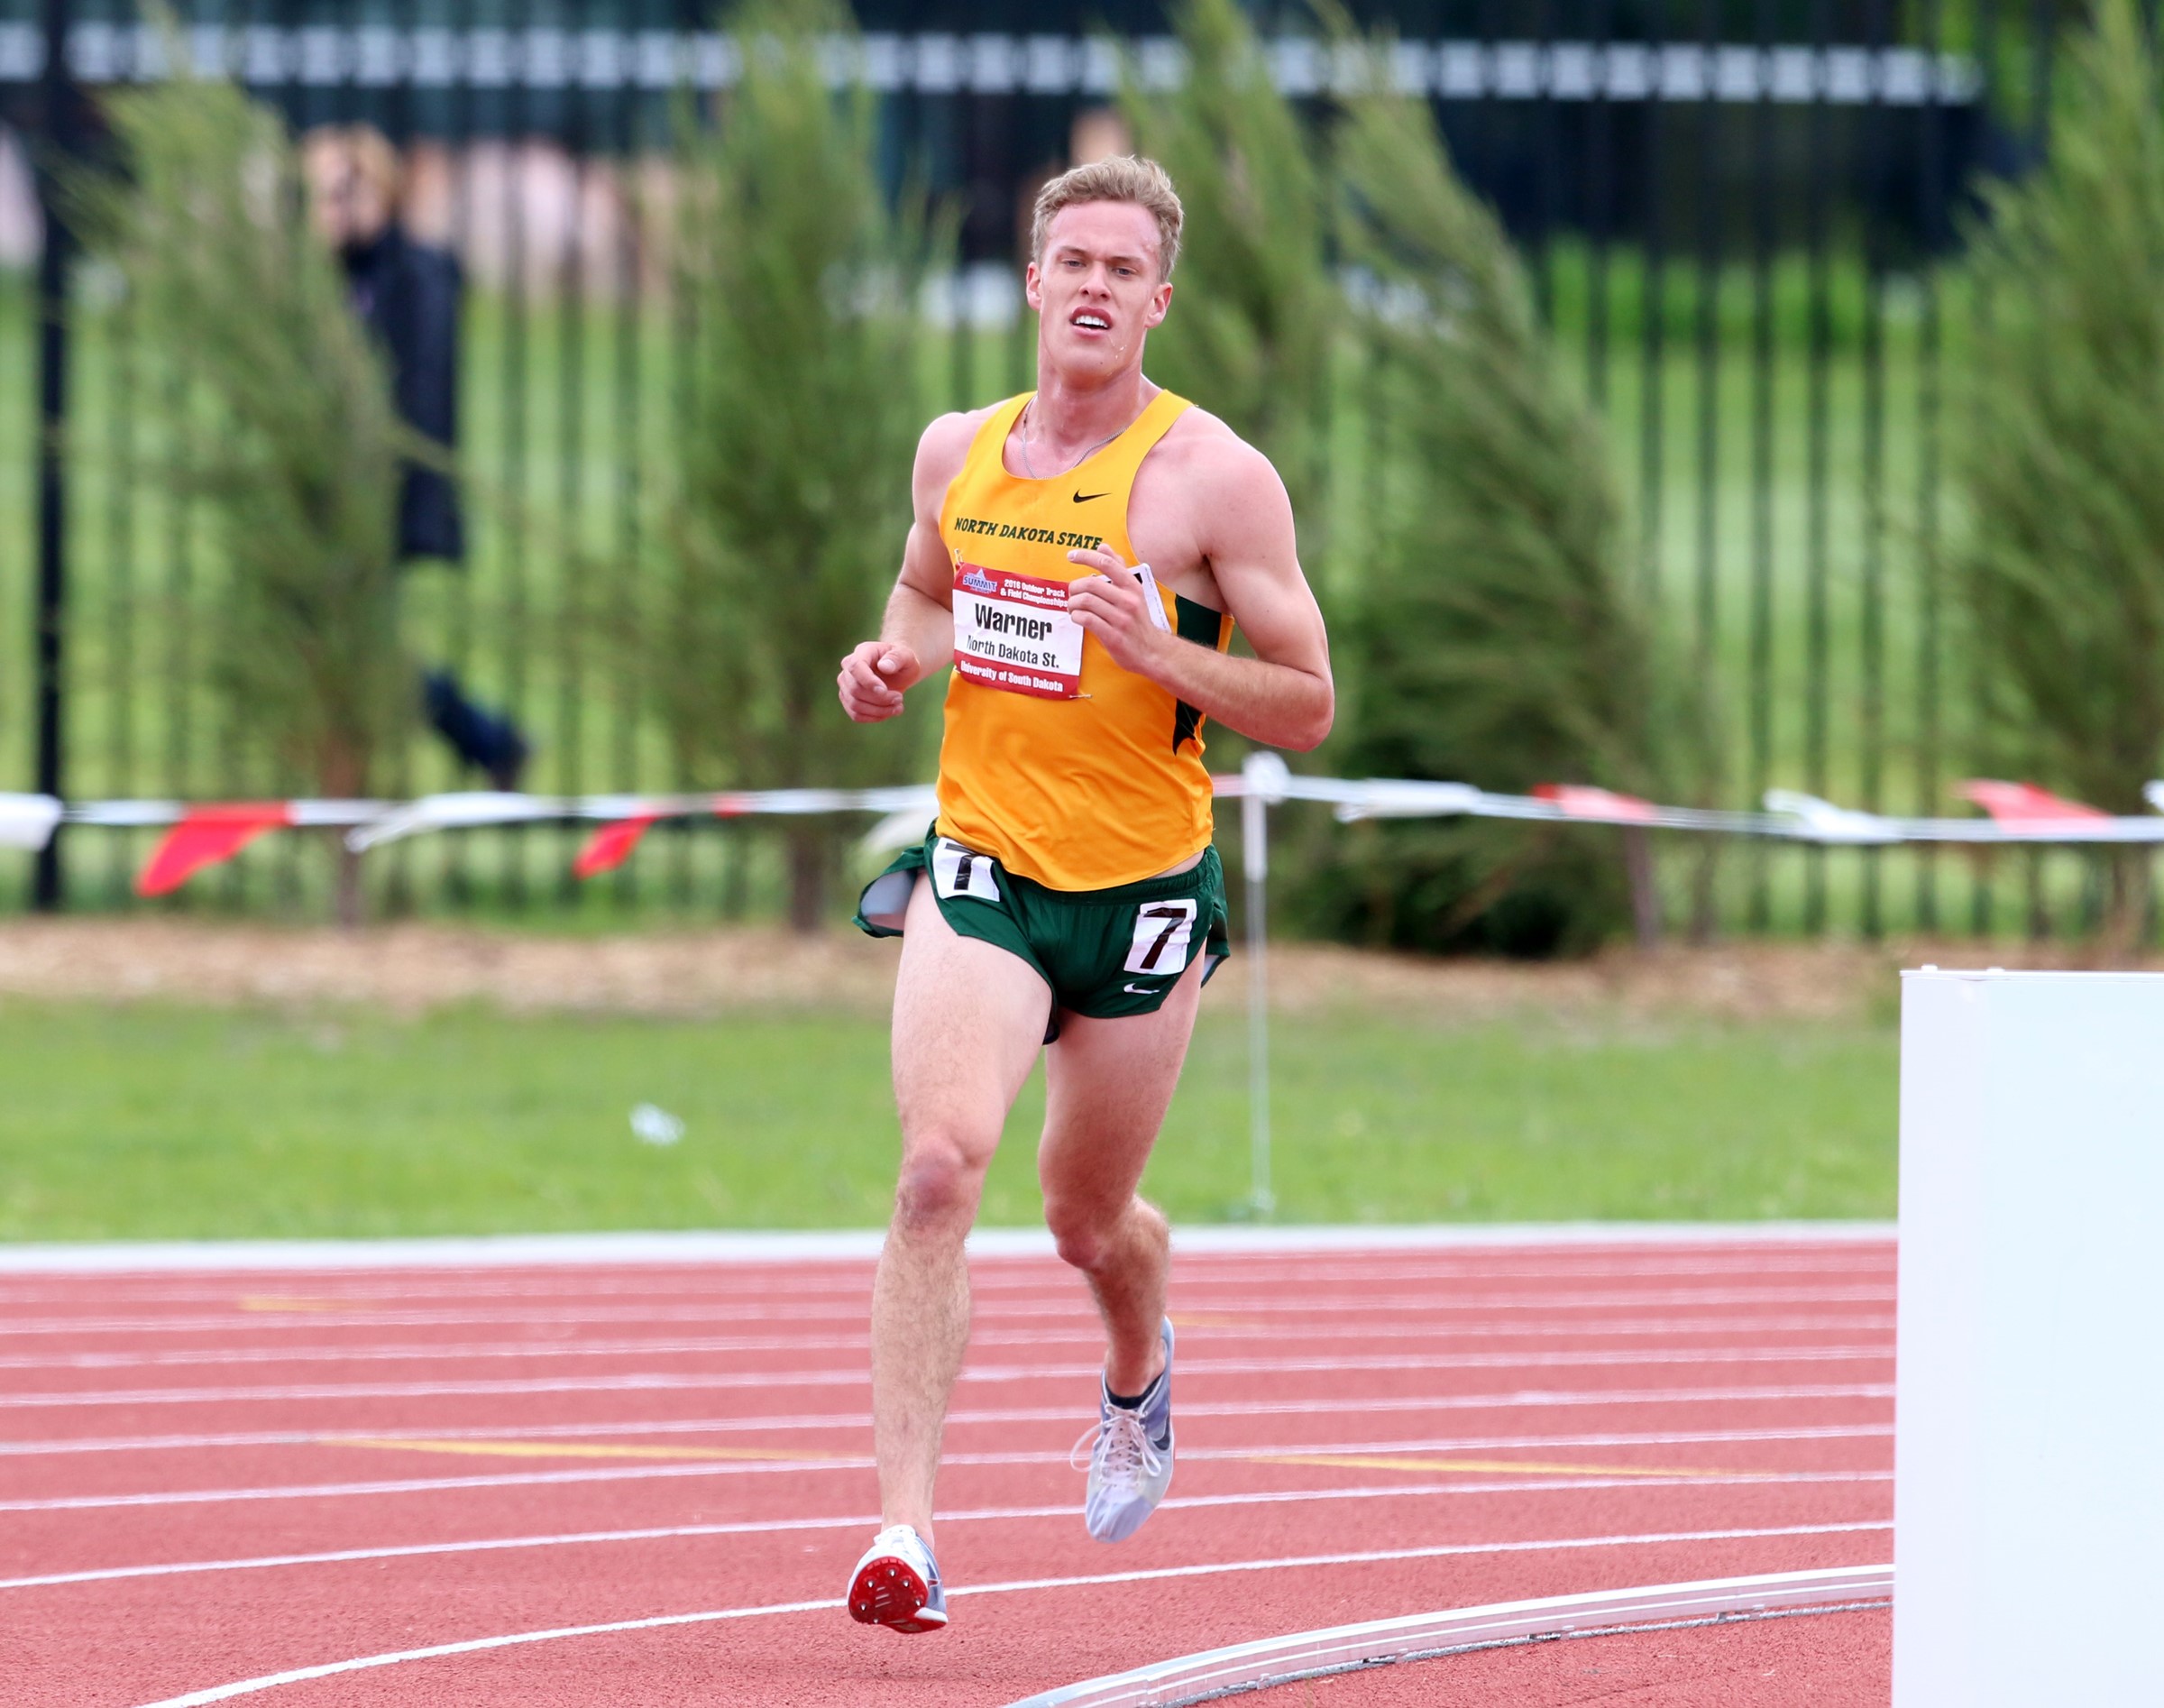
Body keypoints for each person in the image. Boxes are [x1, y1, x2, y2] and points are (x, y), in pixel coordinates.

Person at [835, 156, 1334, 1635]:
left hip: (1138, 902)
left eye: (1128, 268)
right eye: (1078, 262)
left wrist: (1160, 645)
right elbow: (927, 585)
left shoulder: (1215, 482)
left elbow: (1307, 702)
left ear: (1158, 298)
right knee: (937, 1169)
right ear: (1036, 281)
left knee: (1082, 1216)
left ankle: (1137, 1368)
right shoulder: (958, 452)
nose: (1099, 286)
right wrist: (894, 657)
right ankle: (905, 1534)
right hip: (981, 871)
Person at [302, 124, 529, 790]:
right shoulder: (326, 279)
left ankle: (485, 740)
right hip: (331, 496)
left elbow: (416, 399)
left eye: (348, 191)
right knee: (347, 644)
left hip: (381, 498)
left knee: (359, 645)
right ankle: (489, 740)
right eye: (319, 195)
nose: (333, 209)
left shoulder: (413, 276)